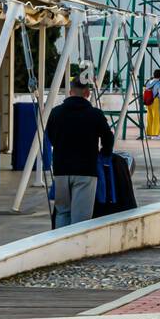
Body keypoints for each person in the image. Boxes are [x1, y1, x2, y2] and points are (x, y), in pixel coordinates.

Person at [45, 77, 114, 228]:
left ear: (70, 92)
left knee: (62, 212)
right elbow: (108, 137)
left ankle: (59, 244)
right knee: (81, 218)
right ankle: (75, 249)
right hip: (86, 170)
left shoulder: (56, 113)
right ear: (87, 93)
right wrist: (104, 154)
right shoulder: (95, 114)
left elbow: (50, 135)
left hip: (61, 170)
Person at [143, 69, 160, 138]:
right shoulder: (159, 83)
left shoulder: (148, 82)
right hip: (156, 101)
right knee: (156, 118)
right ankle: (155, 135)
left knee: (149, 118)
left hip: (148, 101)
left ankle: (148, 134)